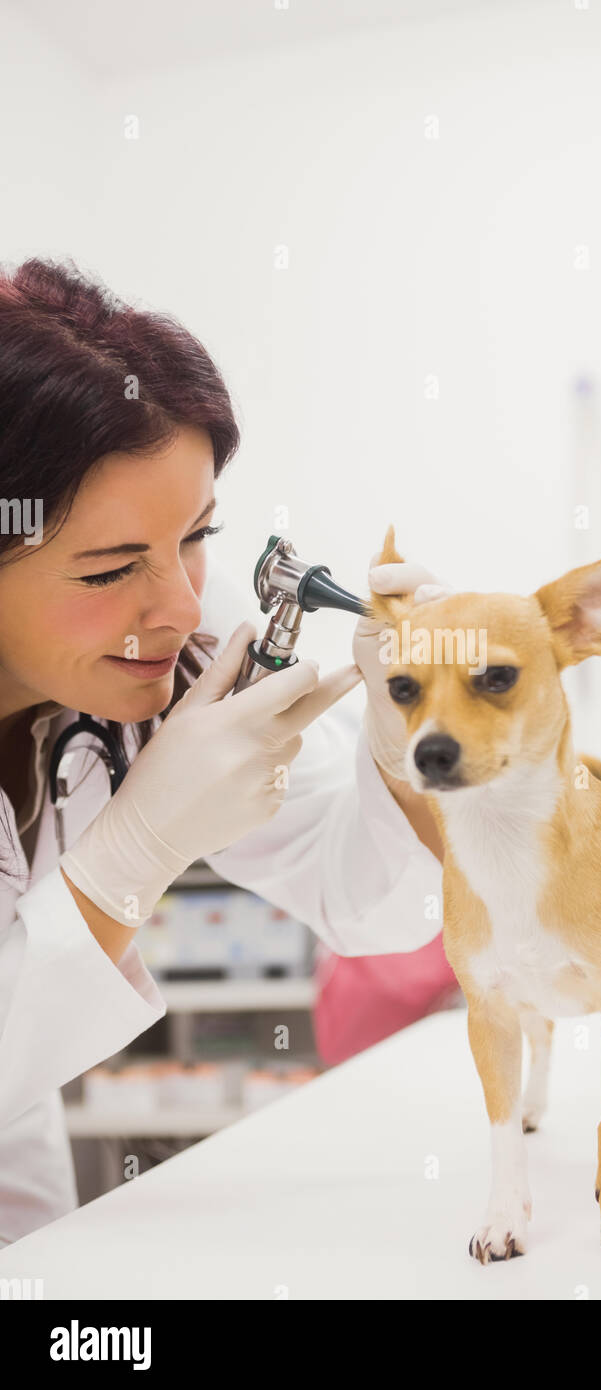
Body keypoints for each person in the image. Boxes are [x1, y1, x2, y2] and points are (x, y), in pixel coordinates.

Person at [0, 257, 451, 1248]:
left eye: (197, 536)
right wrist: (130, 858)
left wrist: (405, 742)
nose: (183, 605)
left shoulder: (166, 654)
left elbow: (370, 908)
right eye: (113, 567)